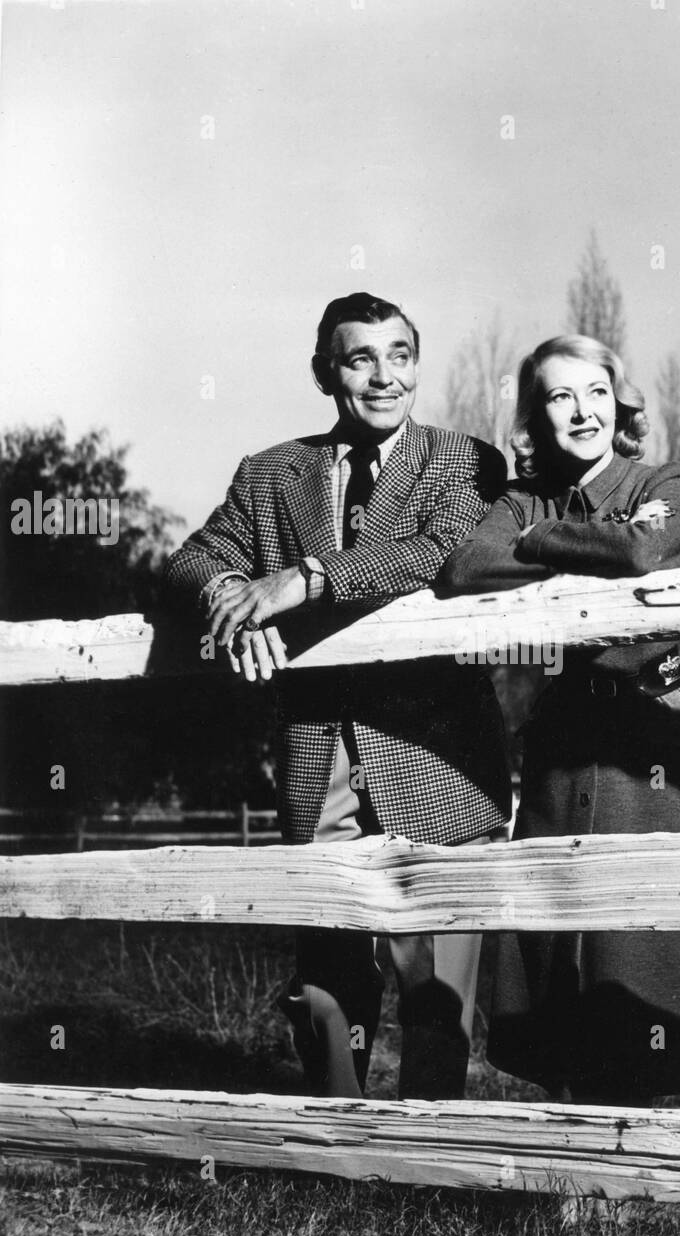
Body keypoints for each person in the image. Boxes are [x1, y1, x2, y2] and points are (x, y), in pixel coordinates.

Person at [164, 292, 510, 1101]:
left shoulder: (467, 461)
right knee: (325, 965)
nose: (383, 377)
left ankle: (429, 1145)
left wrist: (301, 581)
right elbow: (191, 555)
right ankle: (336, 1145)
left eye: (400, 355)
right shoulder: (270, 473)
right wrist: (230, 597)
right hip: (318, 747)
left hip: (436, 752)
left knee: (436, 969)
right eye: (360, 358)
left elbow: (433, 553)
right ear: (326, 372)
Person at [439, 334, 680, 1108]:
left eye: (596, 392)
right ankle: (569, 1161)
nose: (582, 411)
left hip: (649, 739)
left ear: (619, 401)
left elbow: (645, 549)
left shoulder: (664, 477)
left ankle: (632, 1163)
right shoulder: (521, 498)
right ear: (536, 415)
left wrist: (537, 545)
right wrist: (554, 537)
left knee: (639, 940)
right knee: (555, 937)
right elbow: (465, 566)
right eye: (560, 397)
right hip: (562, 737)